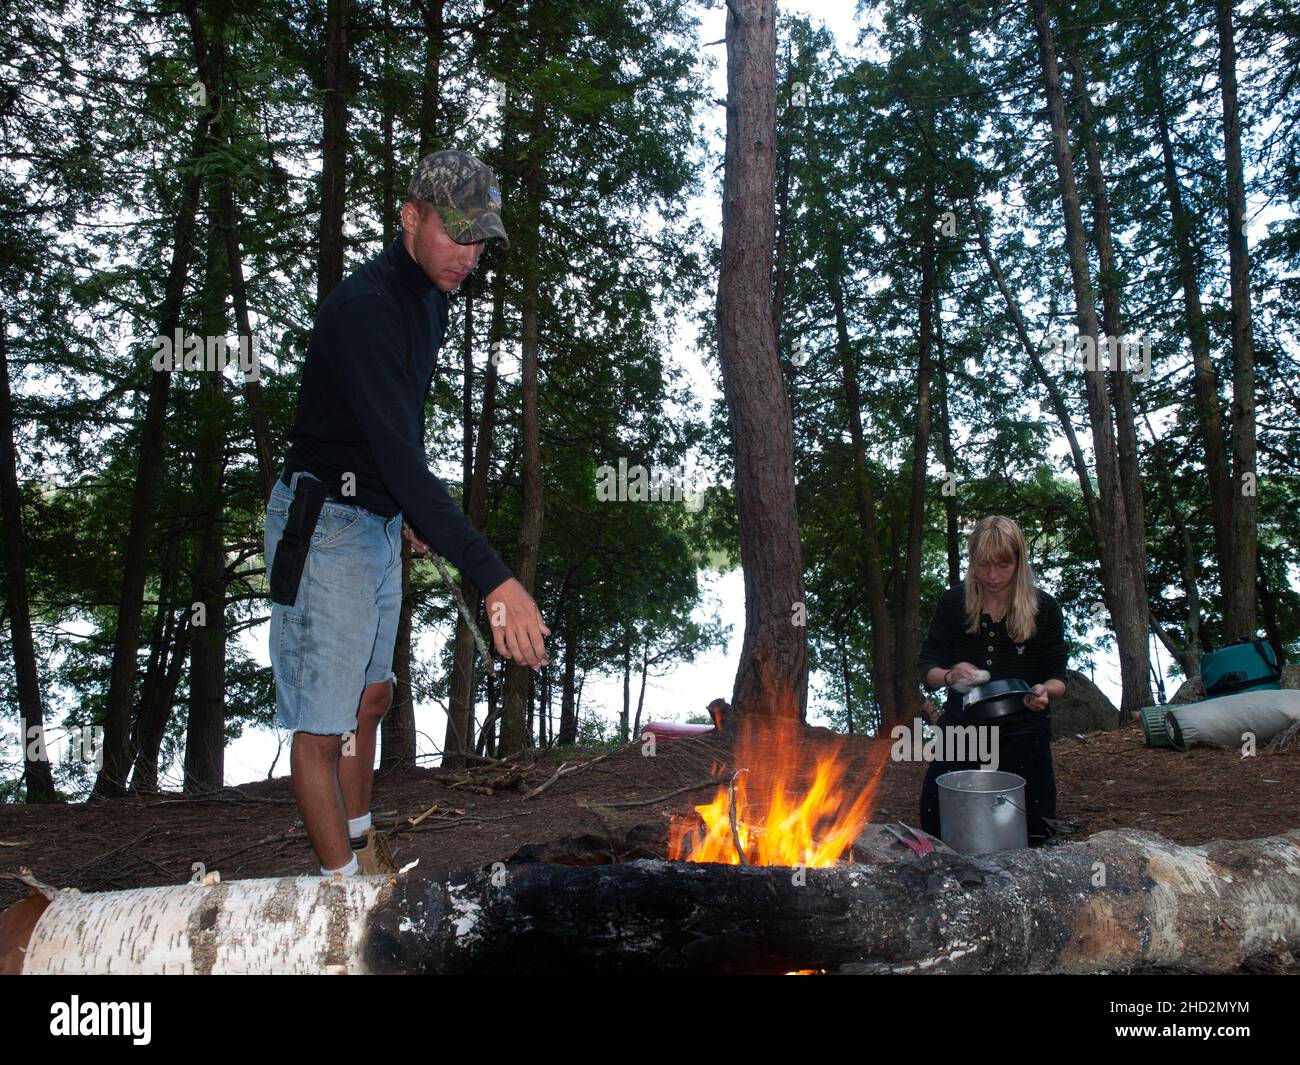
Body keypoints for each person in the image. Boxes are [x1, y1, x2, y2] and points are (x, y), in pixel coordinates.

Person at [263, 150, 550, 878]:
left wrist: (405, 510)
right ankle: (343, 902)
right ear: (410, 217)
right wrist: (494, 576)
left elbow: (393, 430)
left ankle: (362, 845)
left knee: (371, 699)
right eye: (458, 235)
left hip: (378, 520)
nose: (471, 256)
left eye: (481, 240)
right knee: (321, 728)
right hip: (326, 525)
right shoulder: (365, 308)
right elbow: (396, 450)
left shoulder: (432, 296)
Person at [916, 515, 1068, 843]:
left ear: (1019, 561)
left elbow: (1057, 676)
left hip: (1025, 731)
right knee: (935, 821)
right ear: (972, 562)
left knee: (1034, 829)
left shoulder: (1045, 608)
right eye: (983, 565)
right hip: (963, 729)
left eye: (1003, 565)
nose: (992, 576)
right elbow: (927, 668)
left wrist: (1044, 692)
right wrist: (949, 675)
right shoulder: (953, 603)